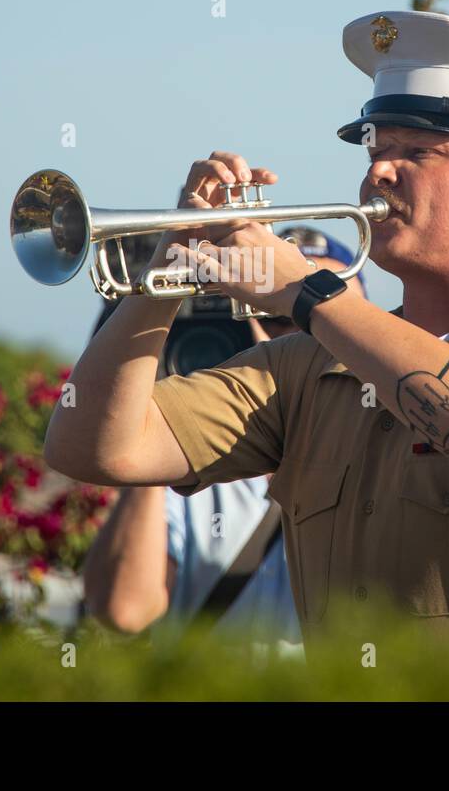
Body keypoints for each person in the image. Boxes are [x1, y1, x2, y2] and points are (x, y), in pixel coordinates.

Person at [45, 11, 449, 700]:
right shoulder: (304, 366)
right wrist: (164, 269)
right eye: (373, 151)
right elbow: (91, 448)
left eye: (419, 152)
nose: (379, 170)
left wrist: (301, 287)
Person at [82, 229, 369, 653]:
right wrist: (154, 417)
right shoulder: (196, 474)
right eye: (278, 317)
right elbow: (123, 609)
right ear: (247, 325)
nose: (305, 337)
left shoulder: (382, 454)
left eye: (332, 315)